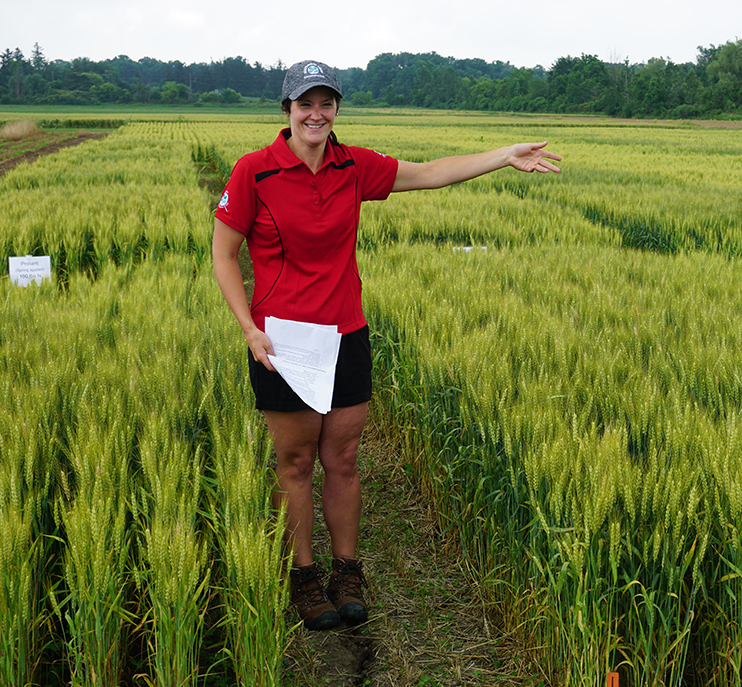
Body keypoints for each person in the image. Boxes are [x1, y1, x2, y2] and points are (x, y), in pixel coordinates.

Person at [211, 59, 561, 631]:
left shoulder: (354, 165)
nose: (316, 114)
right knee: (296, 463)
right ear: (287, 110)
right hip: (284, 340)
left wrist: (503, 156)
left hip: (348, 333)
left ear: (336, 110)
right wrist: (249, 327)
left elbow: (428, 173)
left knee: (342, 460)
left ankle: (347, 572)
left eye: (327, 103)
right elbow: (225, 253)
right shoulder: (255, 172)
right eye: (306, 103)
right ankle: (304, 578)